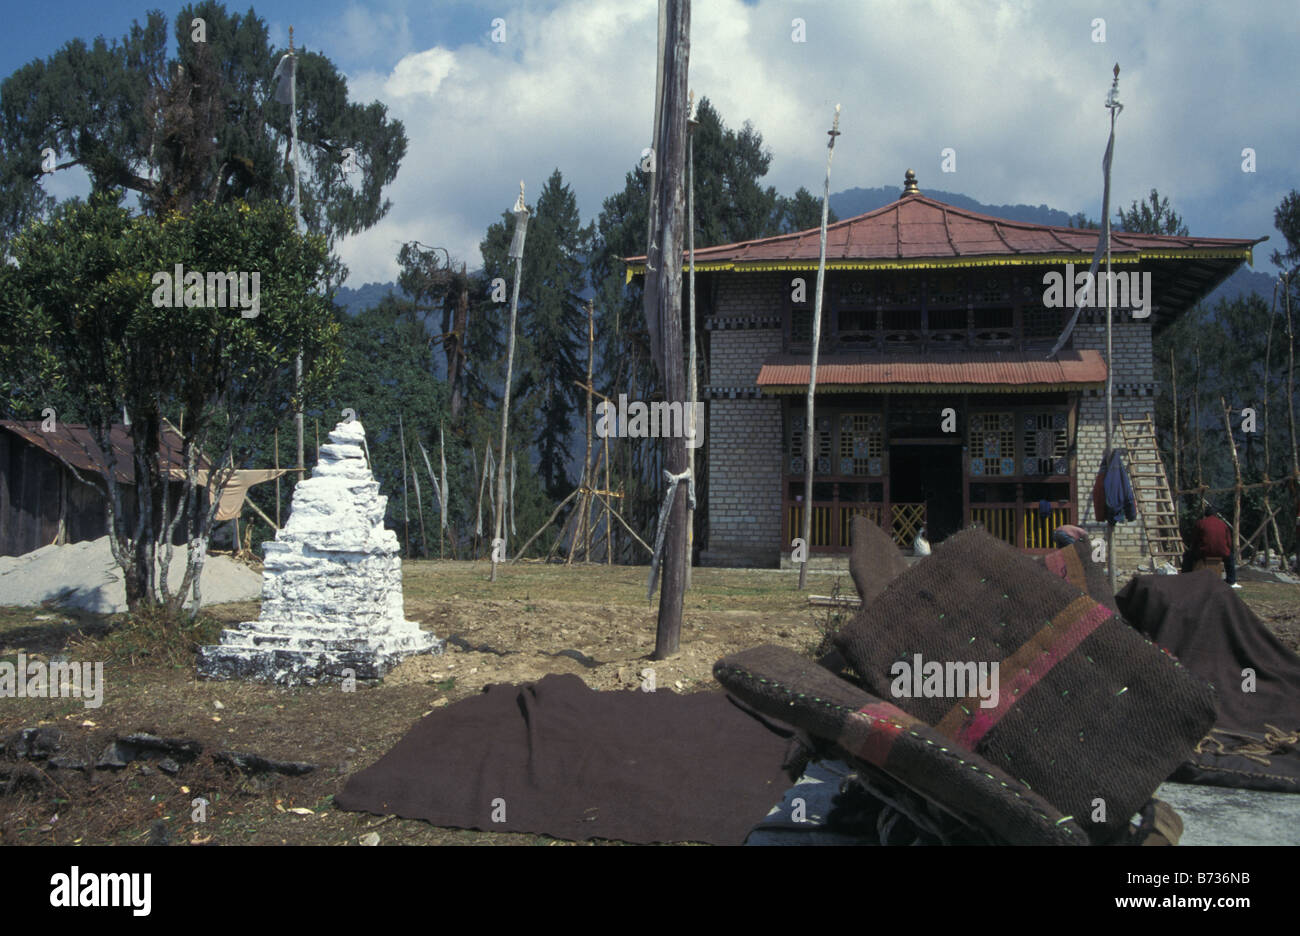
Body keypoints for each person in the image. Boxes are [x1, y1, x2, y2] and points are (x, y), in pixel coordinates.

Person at [1181, 505, 1239, 588]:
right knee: (1230, 559)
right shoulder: (1223, 524)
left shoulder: (1200, 523)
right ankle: (1231, 581)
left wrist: (1192, 550)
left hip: (1204, 551)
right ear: (1216, 514)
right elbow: (1229, 542)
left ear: (1205, 514)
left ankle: (1185, 578)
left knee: (1187, 556)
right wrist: (1227, 550)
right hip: (1222, 552)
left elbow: (1195, 539)